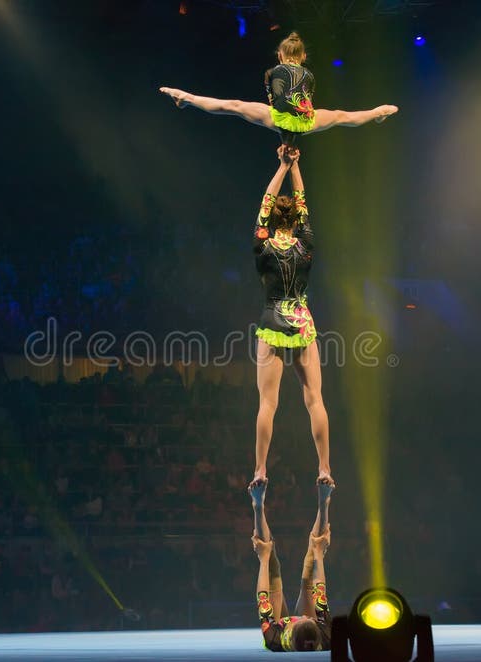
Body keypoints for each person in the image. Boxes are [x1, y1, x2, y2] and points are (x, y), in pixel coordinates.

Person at [251, 145, 332, 488]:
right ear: (296, 221)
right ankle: (325, 468)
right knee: (314, 399)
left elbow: (264, 205)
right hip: (301, 324)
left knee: (268, 403)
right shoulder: (306, 243)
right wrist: (296, 166)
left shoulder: (262, 243)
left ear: (270, 221)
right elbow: (303, 206)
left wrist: (281, 167)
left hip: (271, 324)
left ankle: (259, 471)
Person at [160, 32, 398, 146]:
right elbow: (305, 102)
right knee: (339, 115)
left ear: (279, 55)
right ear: (304, 57)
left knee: (233, 106)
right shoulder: (310, 74)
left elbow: (276, 102)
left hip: (280, 120)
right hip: (305, 122)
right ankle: (378, 112)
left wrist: (285, 137)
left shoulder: (273, 72)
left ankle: (187, 98)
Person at [251, 479, 334, 652]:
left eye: (301, 618)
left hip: (279, 622)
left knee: (270, 562)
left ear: (289, 629)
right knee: (313, 558)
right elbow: (320, 591)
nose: (302, 615)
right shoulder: (326, 635)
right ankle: (324, 503)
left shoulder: (274, 639)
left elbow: (263, 598)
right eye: (308, 617)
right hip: (307, 631)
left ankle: (257, 507)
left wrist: (263, 558)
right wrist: (319, 552)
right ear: (315, 624)